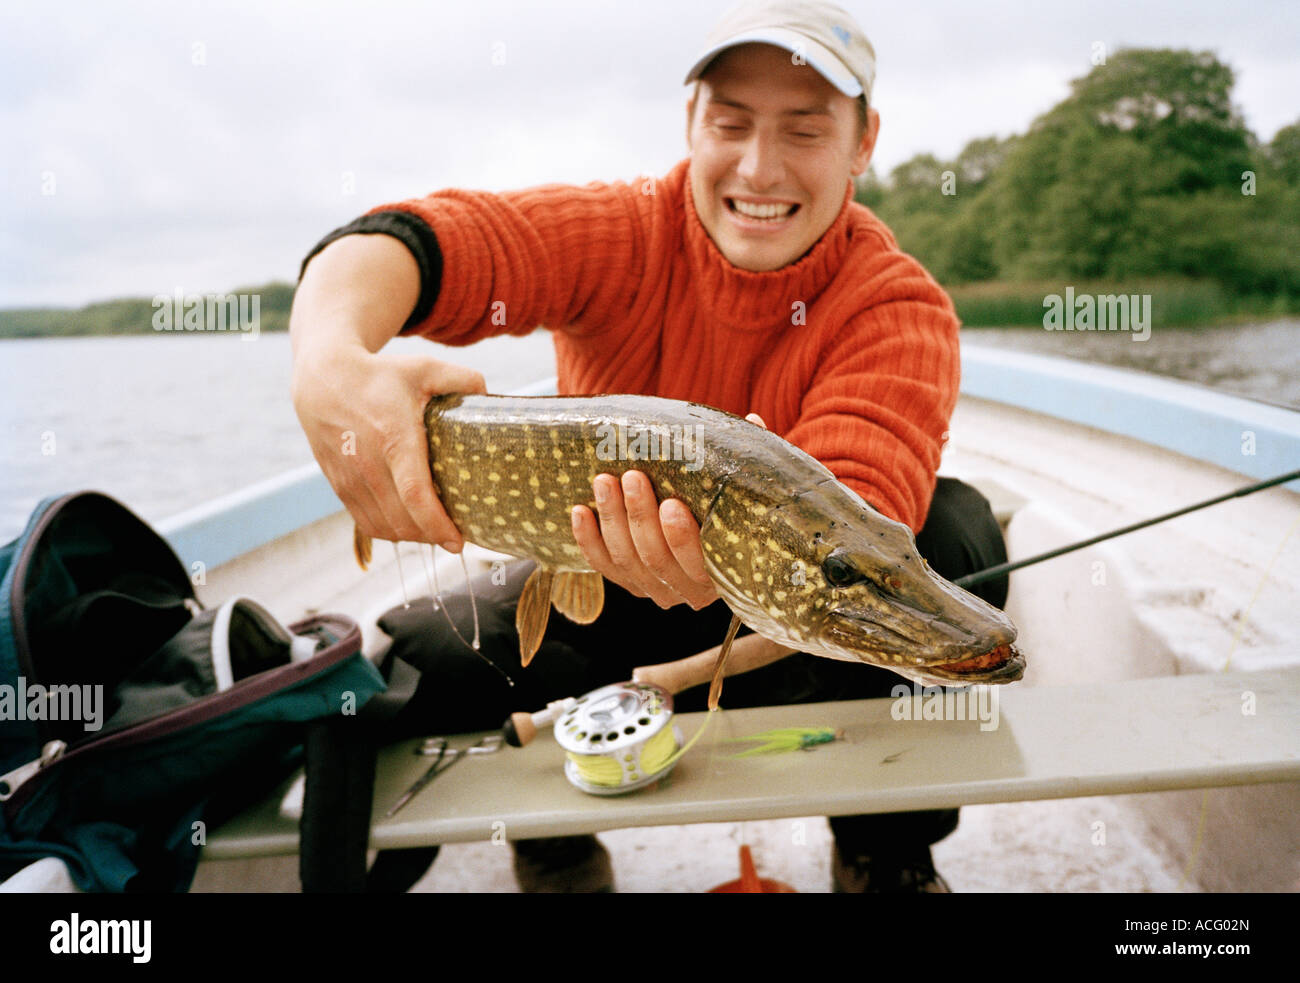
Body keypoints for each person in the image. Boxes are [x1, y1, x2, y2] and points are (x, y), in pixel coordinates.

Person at [289, 0, 1009, 892]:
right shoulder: (626, 232)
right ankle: (549, 843)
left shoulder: (896, 306)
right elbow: (434, 242)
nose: (758, 165)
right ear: (691, 127)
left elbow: (853, 527)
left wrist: (669, 678)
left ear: (863, 144)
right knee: (419, 654)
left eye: (805, 129)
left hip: (784, 631)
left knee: (956, 541)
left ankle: (886, 846)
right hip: (594, 573)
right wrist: (326, 361)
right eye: (731, 123)